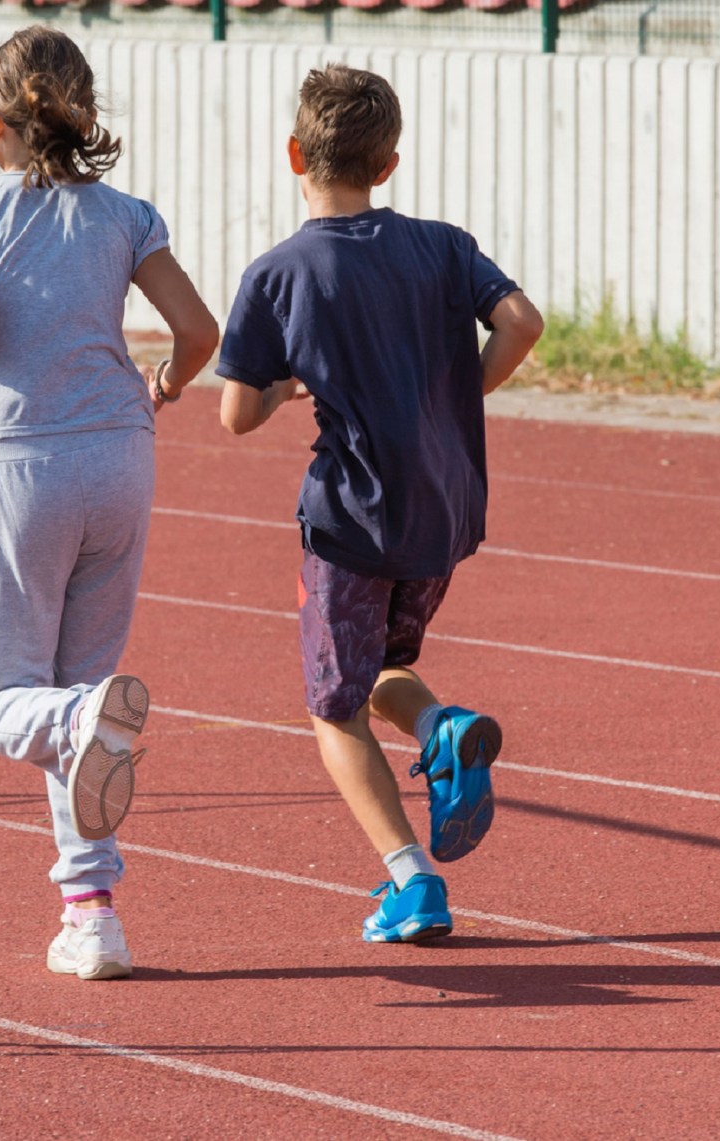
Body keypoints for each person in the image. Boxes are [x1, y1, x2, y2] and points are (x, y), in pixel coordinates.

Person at [216, 63, 544, 943]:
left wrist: (291, 383)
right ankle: (444, 725)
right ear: (388, 163)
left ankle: (411, 881)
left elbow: (236, 413)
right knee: (380, 664)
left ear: (293, 152)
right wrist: (460, 396)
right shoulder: (440, 244)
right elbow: (522, 322)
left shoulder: (278, 274)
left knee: (333, 707)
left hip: (353, 519)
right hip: (443, 514)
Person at [0, 26, 219, 980]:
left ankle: (85, 724)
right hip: (120, 458)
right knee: (79, 697)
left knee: (12, 701)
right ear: (84, 111)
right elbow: (198, 328)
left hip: (19, 460)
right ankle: (92, 915)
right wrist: (166, 384)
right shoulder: (128, 214)